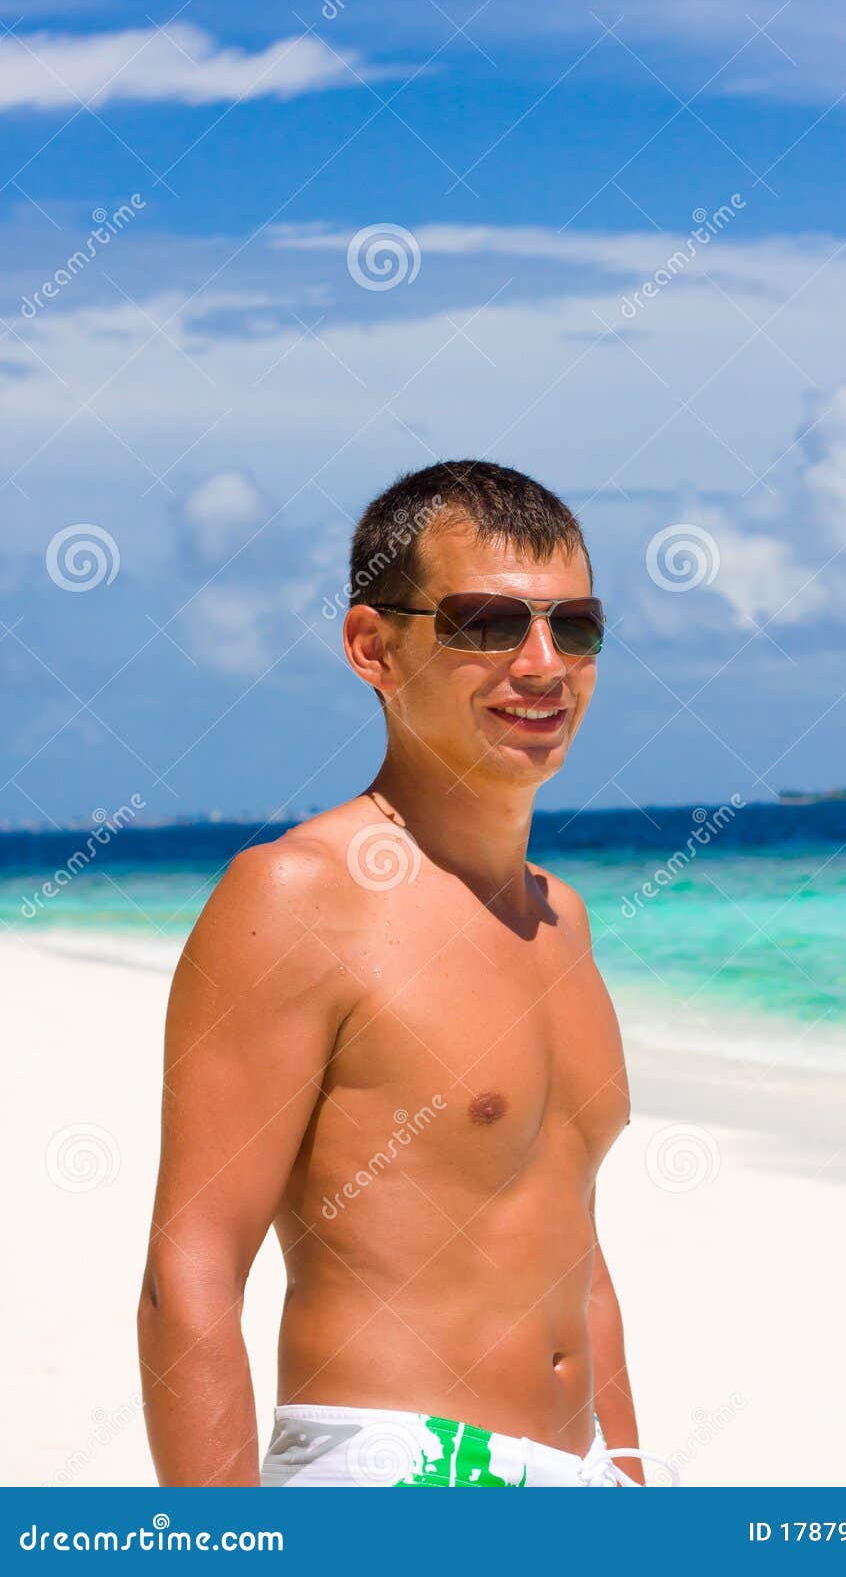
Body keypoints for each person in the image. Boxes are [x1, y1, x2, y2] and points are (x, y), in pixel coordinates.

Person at [138, 459, 670, 1488]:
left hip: (586, 1471)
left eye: (575, 627)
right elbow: (191, 1268)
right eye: (483, 623)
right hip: (399, 1471)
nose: (542, 663)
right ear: (372, 646)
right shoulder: (295, 896)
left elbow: (568, 1240)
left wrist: (634, 1472)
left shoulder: (562, 918)